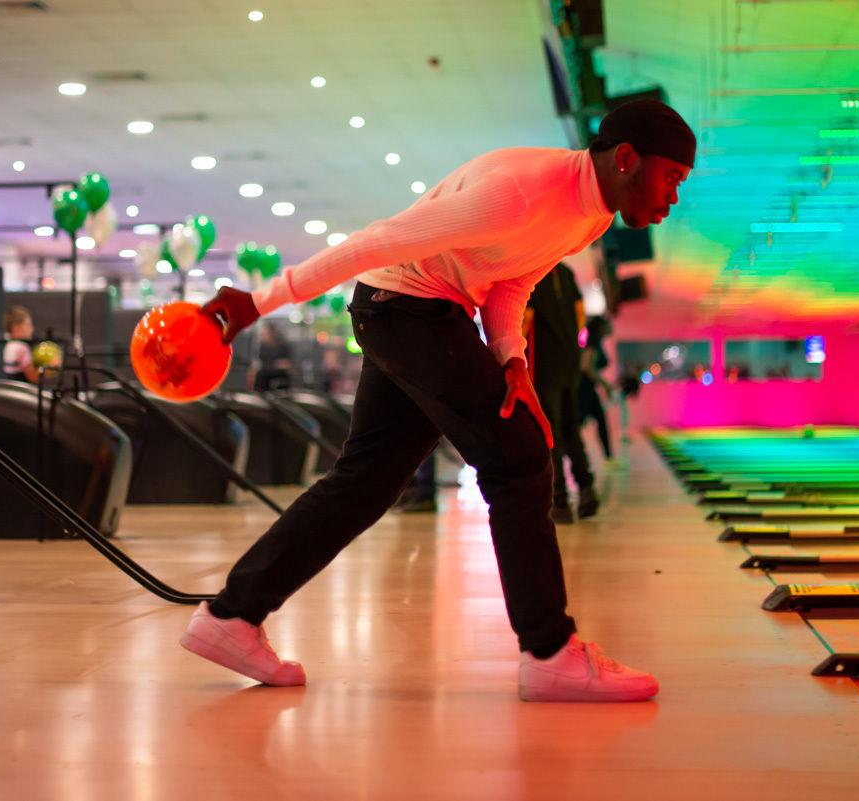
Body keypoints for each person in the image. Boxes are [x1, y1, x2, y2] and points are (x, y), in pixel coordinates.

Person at [180, 98, 695, 702]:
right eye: (671, 179)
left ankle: (230, 617)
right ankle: (550, 650)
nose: (673, 197)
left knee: (365, 482)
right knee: (521, 458)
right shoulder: (521, 191)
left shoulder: (594, 215)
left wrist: (512, 359)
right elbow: (382, 240)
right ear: (627, 159)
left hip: (411, 312)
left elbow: (514, 281)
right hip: (409, 307)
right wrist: (262, 300)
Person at [524, 262, 597, 524]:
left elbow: (525, 319)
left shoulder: (530, 268)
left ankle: (560, 501)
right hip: (569, 361)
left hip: (544, 364)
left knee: (550, 431)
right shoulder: (566, 271)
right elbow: (579, 314)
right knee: (570, 427)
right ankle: (587, 489)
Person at [579, 315, 614, 460]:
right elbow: (586, 367)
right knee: (577, 424)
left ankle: (609, 457)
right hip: (584, 389)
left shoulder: (595, 343)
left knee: (599, 421)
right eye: (607, 324)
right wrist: (605, 384)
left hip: (587, 388)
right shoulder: (592, 344)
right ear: (600, 328)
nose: (610, 327)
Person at [2, 306, 47, 384]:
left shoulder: (9, 344)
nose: (31, 329)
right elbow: (33, 377)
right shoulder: (21, 347)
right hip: (22, 393)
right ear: (16, 327)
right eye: (28, 325)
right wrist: (51, 366)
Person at [252, 321, 293, 391]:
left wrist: (285, 364)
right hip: (266, 373)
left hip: (281, 373)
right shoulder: (263, 348)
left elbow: (289, 362)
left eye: (265, 333)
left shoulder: (283, 346)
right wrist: (276, 364)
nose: (263, 335)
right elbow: (262, 362)